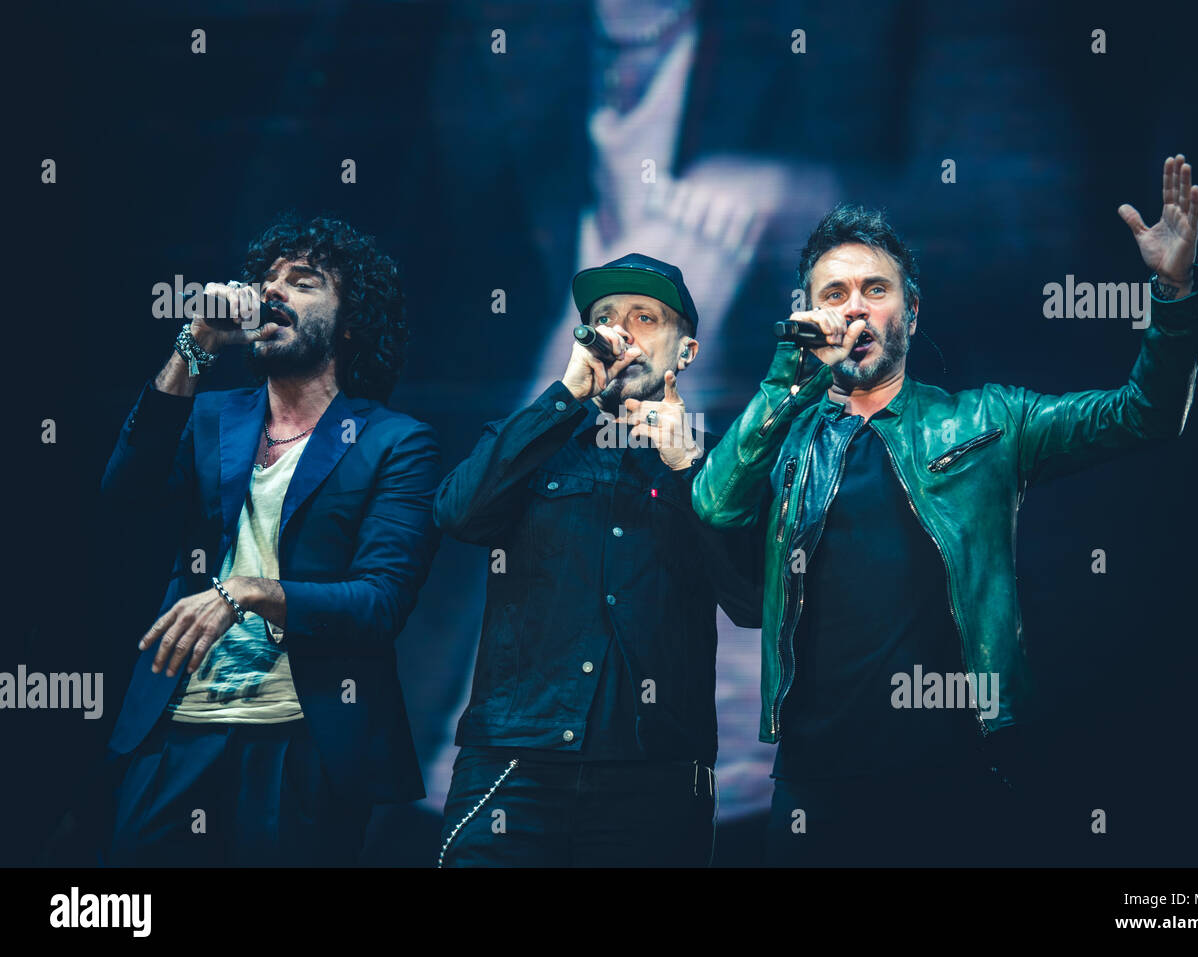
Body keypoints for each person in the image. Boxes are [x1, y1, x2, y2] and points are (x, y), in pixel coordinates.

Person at [692, 155, 1198, 866]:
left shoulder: (988, 421)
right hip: (816, 785)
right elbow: (713, 503)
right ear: (805, 314)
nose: (854, 307)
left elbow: (1145, 413)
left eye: (875, 289)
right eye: (834, 293)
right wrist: (791, 373)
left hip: (955, 774)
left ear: (910, 310)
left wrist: (1173, 293)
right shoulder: (784, 443)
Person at [102, 216, 441, 865]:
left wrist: (248, 591)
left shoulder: (394, 442)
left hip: (302, 741)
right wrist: (197, 342)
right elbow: (124, 497)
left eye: (303, 282)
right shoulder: (211, 416)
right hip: (178, 728)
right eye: (267, 280)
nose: (273, 291)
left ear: (349, 323)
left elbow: (380, 602)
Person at [433, 254, 760, 866]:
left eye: (645, 318)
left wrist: (688, 468)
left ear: (687, 352)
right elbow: (457, 514)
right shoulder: (532, 441)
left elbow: (751, 601)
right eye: (606, 318)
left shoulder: (720, 466)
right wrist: (564, 396)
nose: (621, 332)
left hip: (654, 775)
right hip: (514, 765)